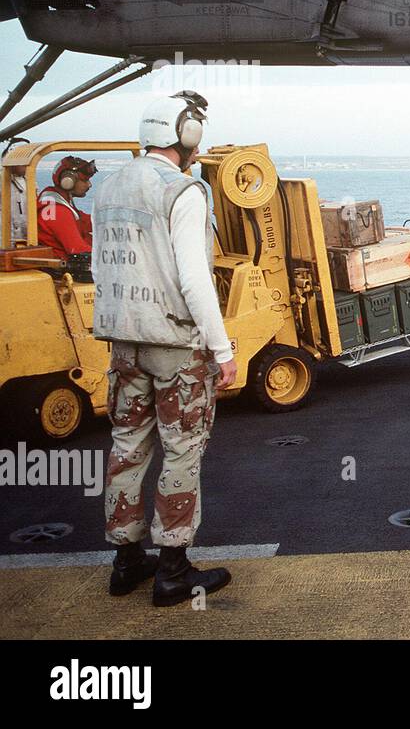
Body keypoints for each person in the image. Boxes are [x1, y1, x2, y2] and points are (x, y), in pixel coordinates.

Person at [93, 91, 238, 607]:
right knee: (182, 452)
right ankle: (172, 570)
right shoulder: (185, 191)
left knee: (127, 448)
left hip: (124, 343)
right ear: (188, 136)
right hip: (176, 346)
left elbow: (101, 267)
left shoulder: (108, 187)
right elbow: (195, 280)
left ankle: (125, 562)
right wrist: (222, 350)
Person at [37, 155, 96, 259]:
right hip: (63, 268)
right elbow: (78, 249)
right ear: (68, 182)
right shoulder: (58, 210)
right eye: (85, 180)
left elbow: (83, 220)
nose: (89, 185)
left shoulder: (56, 200)